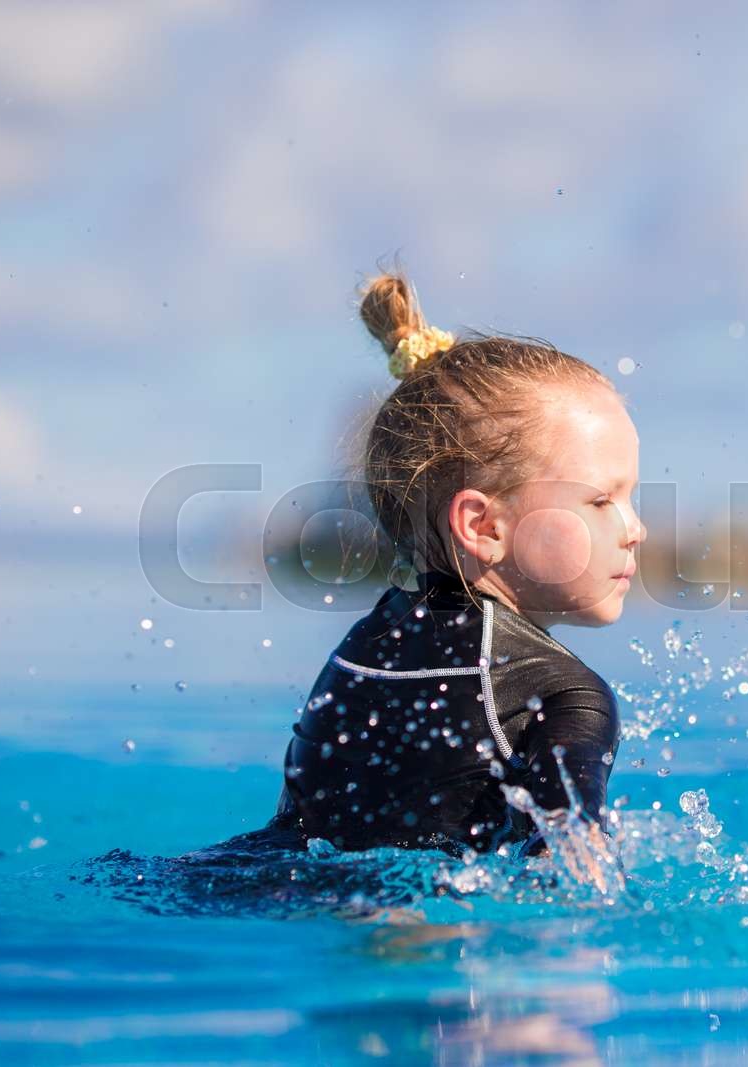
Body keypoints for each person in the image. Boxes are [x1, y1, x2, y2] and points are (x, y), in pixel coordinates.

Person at [266, 267, 645, 892]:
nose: (635, 529)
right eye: (603, 501)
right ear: (482, 525)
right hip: (407, 927)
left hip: (260, 888)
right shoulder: (560, 691)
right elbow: (577, 866)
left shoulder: (362, 648)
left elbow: (306, 834)